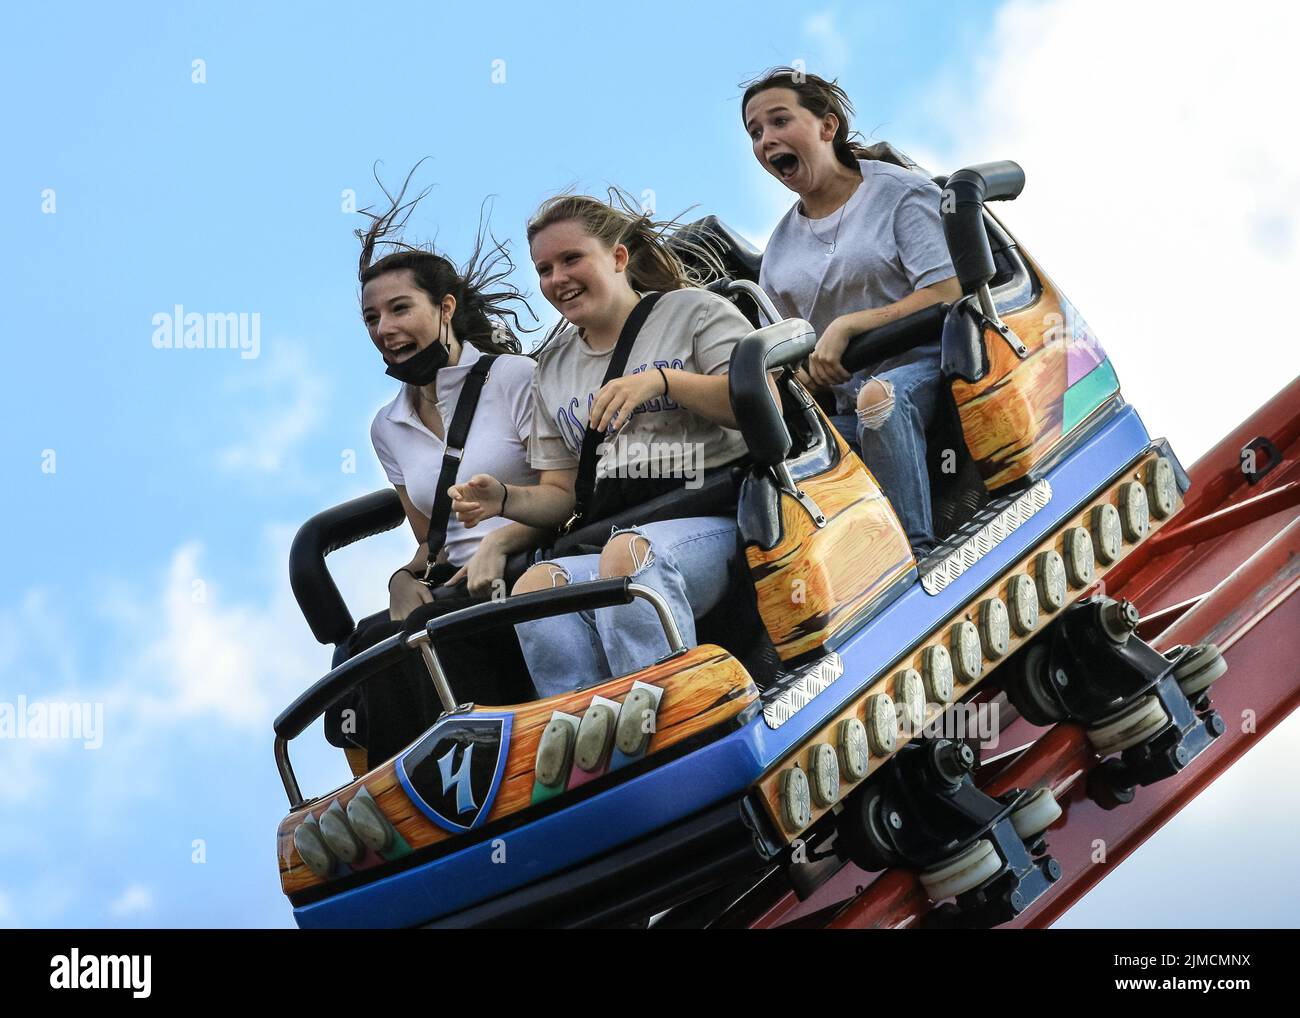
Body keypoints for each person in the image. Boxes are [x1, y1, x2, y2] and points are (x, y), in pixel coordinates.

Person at [450, 191, 755, 697]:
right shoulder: (552, 368)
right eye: (545, 269)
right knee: (535, 588)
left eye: (572, 259)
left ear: (617, 258)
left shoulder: (695, 312)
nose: (557, 279)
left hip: (718, 512)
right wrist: (504, 499)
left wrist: (663, 382)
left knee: (628, 558)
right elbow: (564, 494)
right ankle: (586, 732)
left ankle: (664, 709)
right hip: (617, 528)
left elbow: (755, 404)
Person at [742, 67, 962, 555]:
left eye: (780, 121)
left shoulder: (898, 195)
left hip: (930, 366)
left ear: (827, 126)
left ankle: (917, 555)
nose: (766, 139)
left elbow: (948, 290)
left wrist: (850, 326)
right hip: (846, 405)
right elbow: (785, 359)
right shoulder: (778, 253)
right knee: (776, 471)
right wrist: (805, 377)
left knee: (877, 399)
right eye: (755, 133)